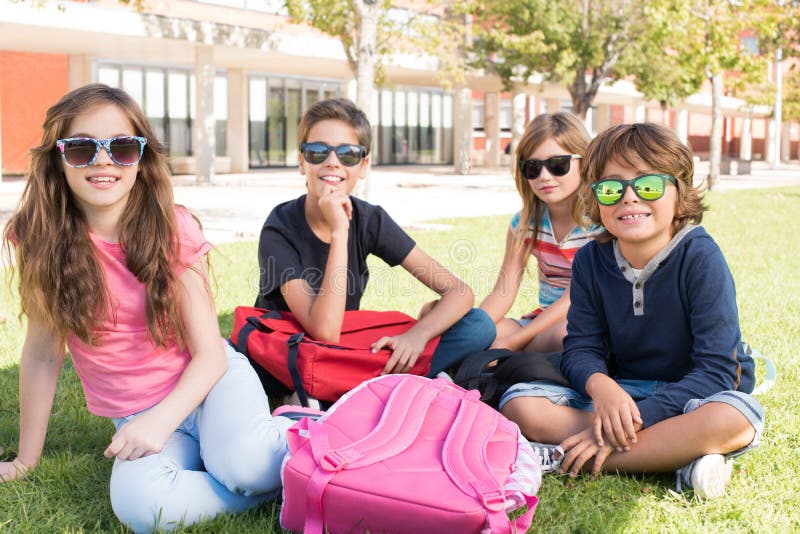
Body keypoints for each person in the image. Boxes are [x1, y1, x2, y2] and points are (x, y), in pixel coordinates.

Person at [0, 84, 293, 532]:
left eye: (121, 147)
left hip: (211, 386)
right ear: (58, 158)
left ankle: (292, 433)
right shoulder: (39, 237)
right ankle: (252, 478)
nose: (103, 161)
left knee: (248, 466)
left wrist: (161, 420)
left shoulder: (170, 227)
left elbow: (210, 355)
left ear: (141, 156)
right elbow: (42, 353)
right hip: (140, 417)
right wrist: (26, 459)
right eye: (81, 149)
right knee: (141, 506)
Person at [500, 122, 764, 499]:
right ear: (595, 198)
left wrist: (629, 423)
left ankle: (574, 456)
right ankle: (677, 457)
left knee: (737, 417)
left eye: (648, 185)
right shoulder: (591, 259)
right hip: (622, 391)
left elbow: (717, 372)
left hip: (694, 394)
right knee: (521, 405)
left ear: (679, 191)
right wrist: (601, 387)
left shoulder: (700, 257)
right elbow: (581, 350)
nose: (629, 198)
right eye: (611, 188)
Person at [254, 98, 495, 389]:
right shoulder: (279, 227)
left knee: (478, 325)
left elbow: (459, 292)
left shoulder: (370, 219)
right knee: (272, 367)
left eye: (348, 154)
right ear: (302, 162)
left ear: (364, 165)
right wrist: (340, 231)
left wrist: (417, 336)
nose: (333, 162)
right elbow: (324, 330)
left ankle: (367, 380)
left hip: (349, 348)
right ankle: (387, 380)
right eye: (317, 152)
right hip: (294, 348)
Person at [480, 112, 603, 353]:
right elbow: (503, 291)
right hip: (540, 322)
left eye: (558, 164)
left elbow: (574, 298)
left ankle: (514, 353)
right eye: (532, 167)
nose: (544, 177)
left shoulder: (601, 223)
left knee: (563, 335)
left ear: (585, 162)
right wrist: (472, 327)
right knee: (466, 327)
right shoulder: (525, 223)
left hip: (584, 325)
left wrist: (514, 342)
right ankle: (514, 351)